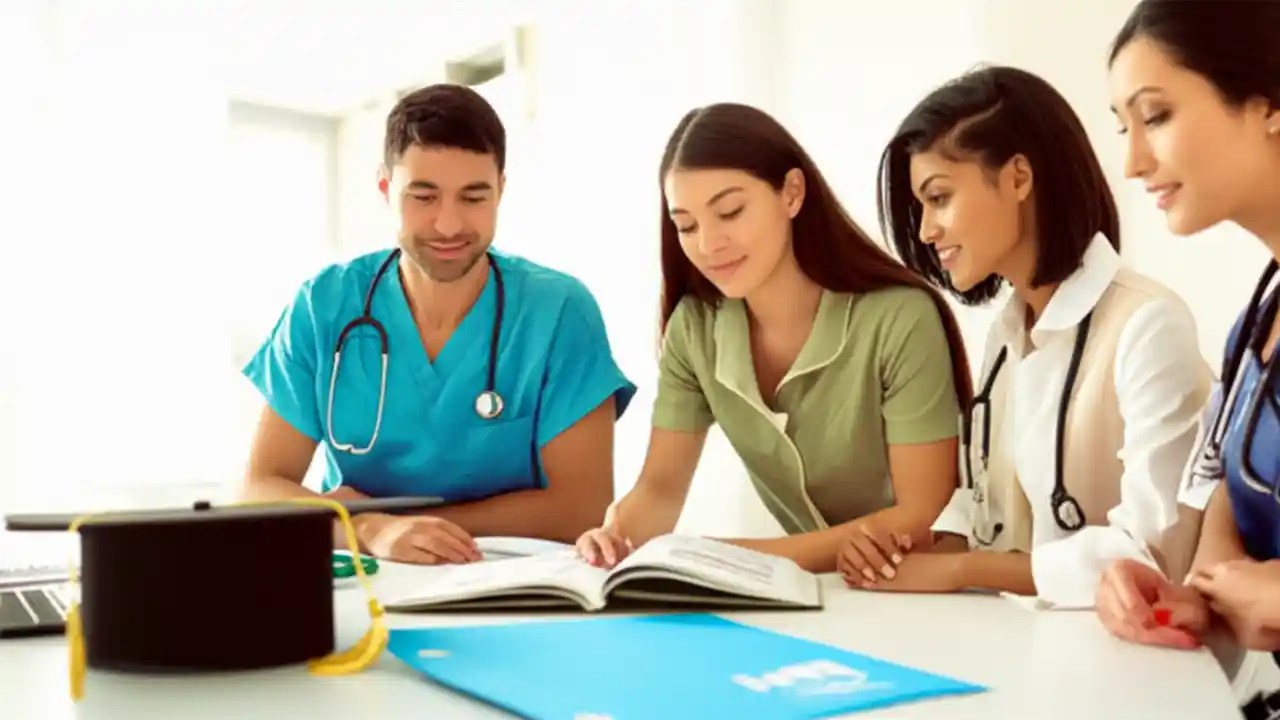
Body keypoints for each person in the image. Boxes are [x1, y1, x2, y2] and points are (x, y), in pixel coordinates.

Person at [238, 83, 636, 564]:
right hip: (367, 576)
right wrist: (370, 530)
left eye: (473, 197)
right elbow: (259, 489)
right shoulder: (323, 305)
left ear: (501, 190)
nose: (448, 225)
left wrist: (410, 526)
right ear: (385, 188)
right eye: (423, 197)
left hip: (509, 579)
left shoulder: (558, 311)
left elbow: (581, 508)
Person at [575, 102, 972, 574]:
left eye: (730, 212)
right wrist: (616, 537)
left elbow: (919, 515)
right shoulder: (695, 327)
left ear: (792, 193)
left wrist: (729, 558)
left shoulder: (899, 319)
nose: (708, 244)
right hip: (824, 596)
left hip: (923, 591)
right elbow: (659, 490)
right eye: (687, 226)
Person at [869, 65, 1211, 609]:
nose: (927, 231)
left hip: (1126, 649)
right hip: (1024, 636)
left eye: (939, 198)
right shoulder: (1007, 334)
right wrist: (910, 547)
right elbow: (993, 500)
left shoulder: (1147, 324)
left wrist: (960, 569)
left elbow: (1152, 554)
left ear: (1018, 178)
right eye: (921, 207)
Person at [1096, 0, 1280, 706]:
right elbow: (1222, 534)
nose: (1133, 162)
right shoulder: (1254, 326)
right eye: (1126, 127)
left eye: (1158, 116)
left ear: (1268, 102)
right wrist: (1185, 601)